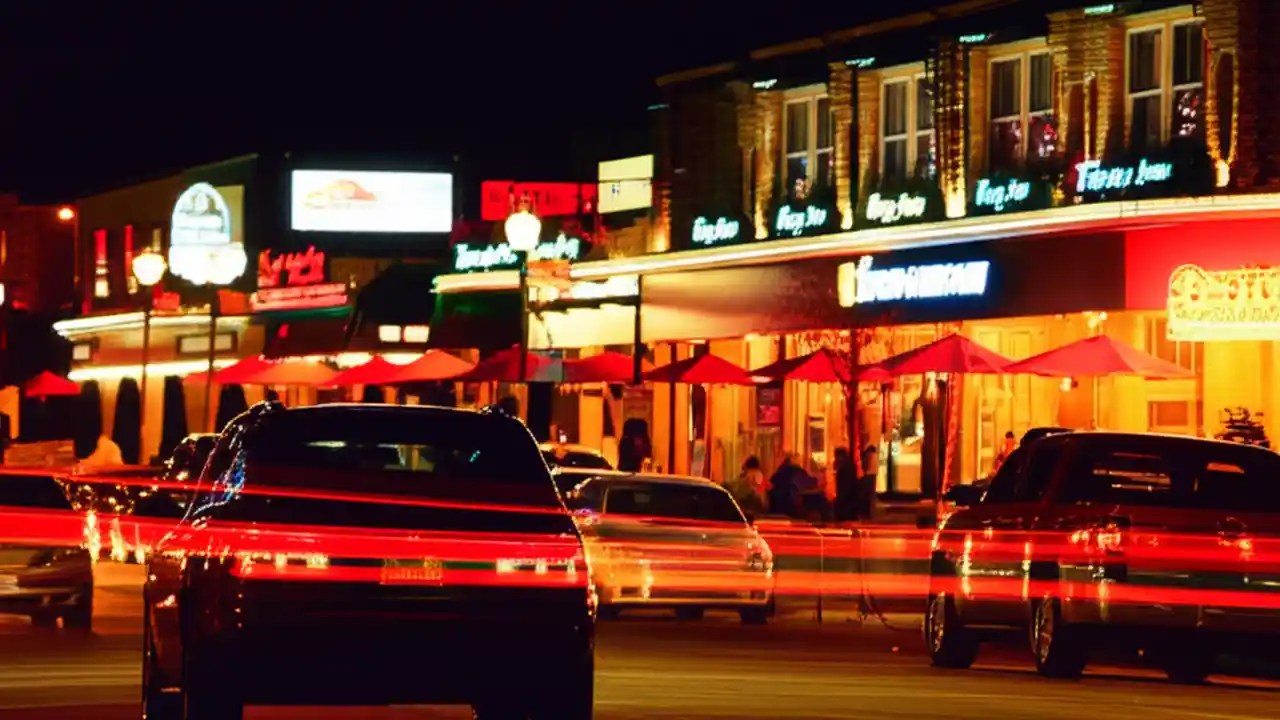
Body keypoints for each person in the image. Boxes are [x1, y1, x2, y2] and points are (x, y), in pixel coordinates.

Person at [767, 453, 805, 518]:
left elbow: (770, 486)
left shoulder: (779, 473)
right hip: (793, 508)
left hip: (777, 507)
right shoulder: (800, 473)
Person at [833, 447, 857, 523]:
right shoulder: (849, 466)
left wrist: (838, 500)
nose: (835, 459)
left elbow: (844, 487)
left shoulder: (844, 469)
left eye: (836, 456)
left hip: (846, 501)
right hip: (850, 501)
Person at [855, 445, 879, 521]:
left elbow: (865, 465)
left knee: (866, 495)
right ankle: (870, 513)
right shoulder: (876, 455)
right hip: (873, 475)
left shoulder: (868, 455)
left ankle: (865, 513)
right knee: (871, 495)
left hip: (868, 475)